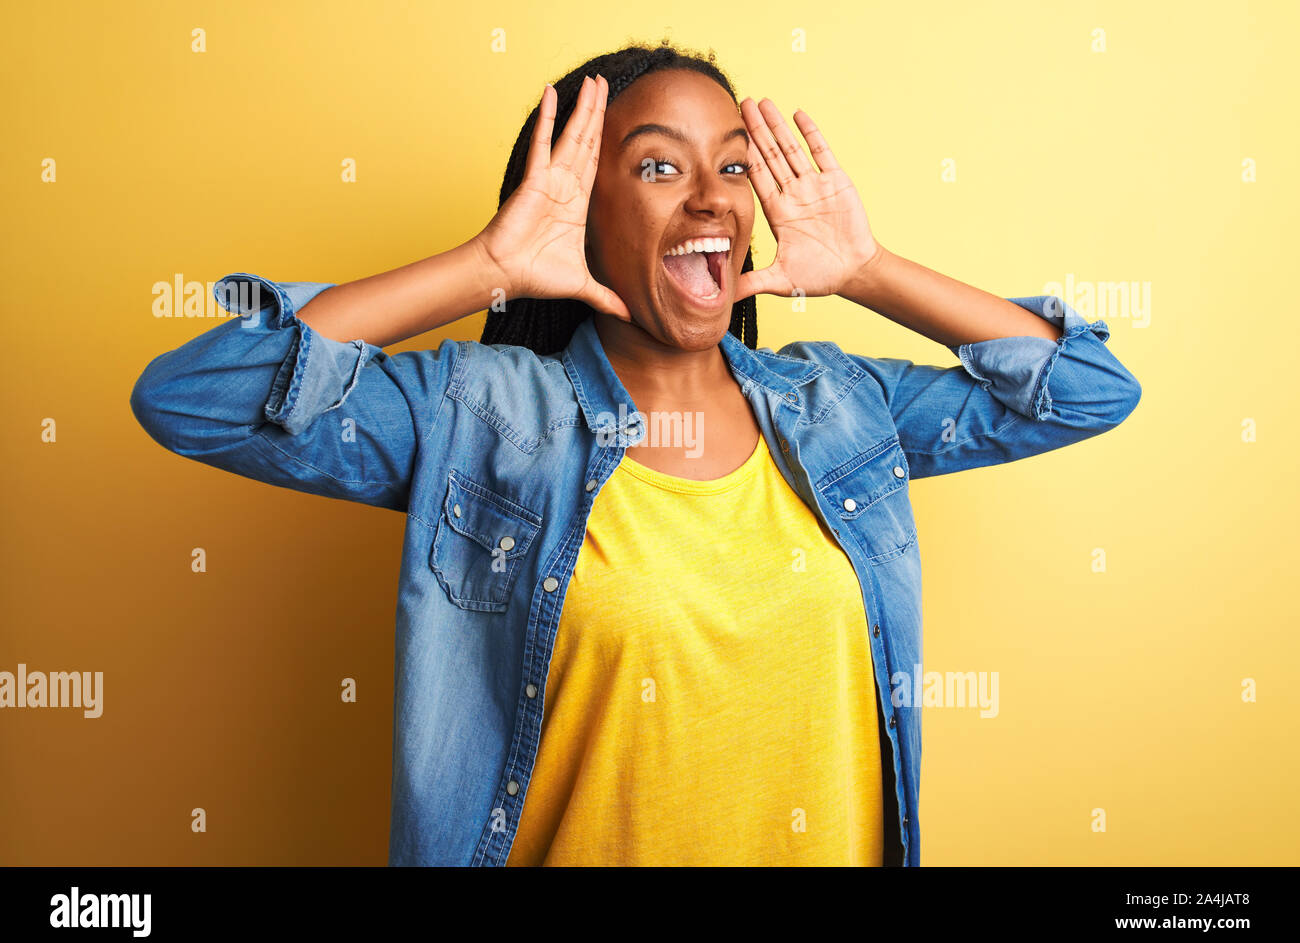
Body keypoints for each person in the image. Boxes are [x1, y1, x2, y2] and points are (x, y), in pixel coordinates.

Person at [130, 41, 1140, 866]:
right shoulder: (478, 417)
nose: (710, 199)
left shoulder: (843, 409)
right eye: (659, 166)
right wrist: (486, 264)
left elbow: (1088, 391)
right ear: (581, 215)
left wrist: (868, 271)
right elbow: (193, 399)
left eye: (732, 165)